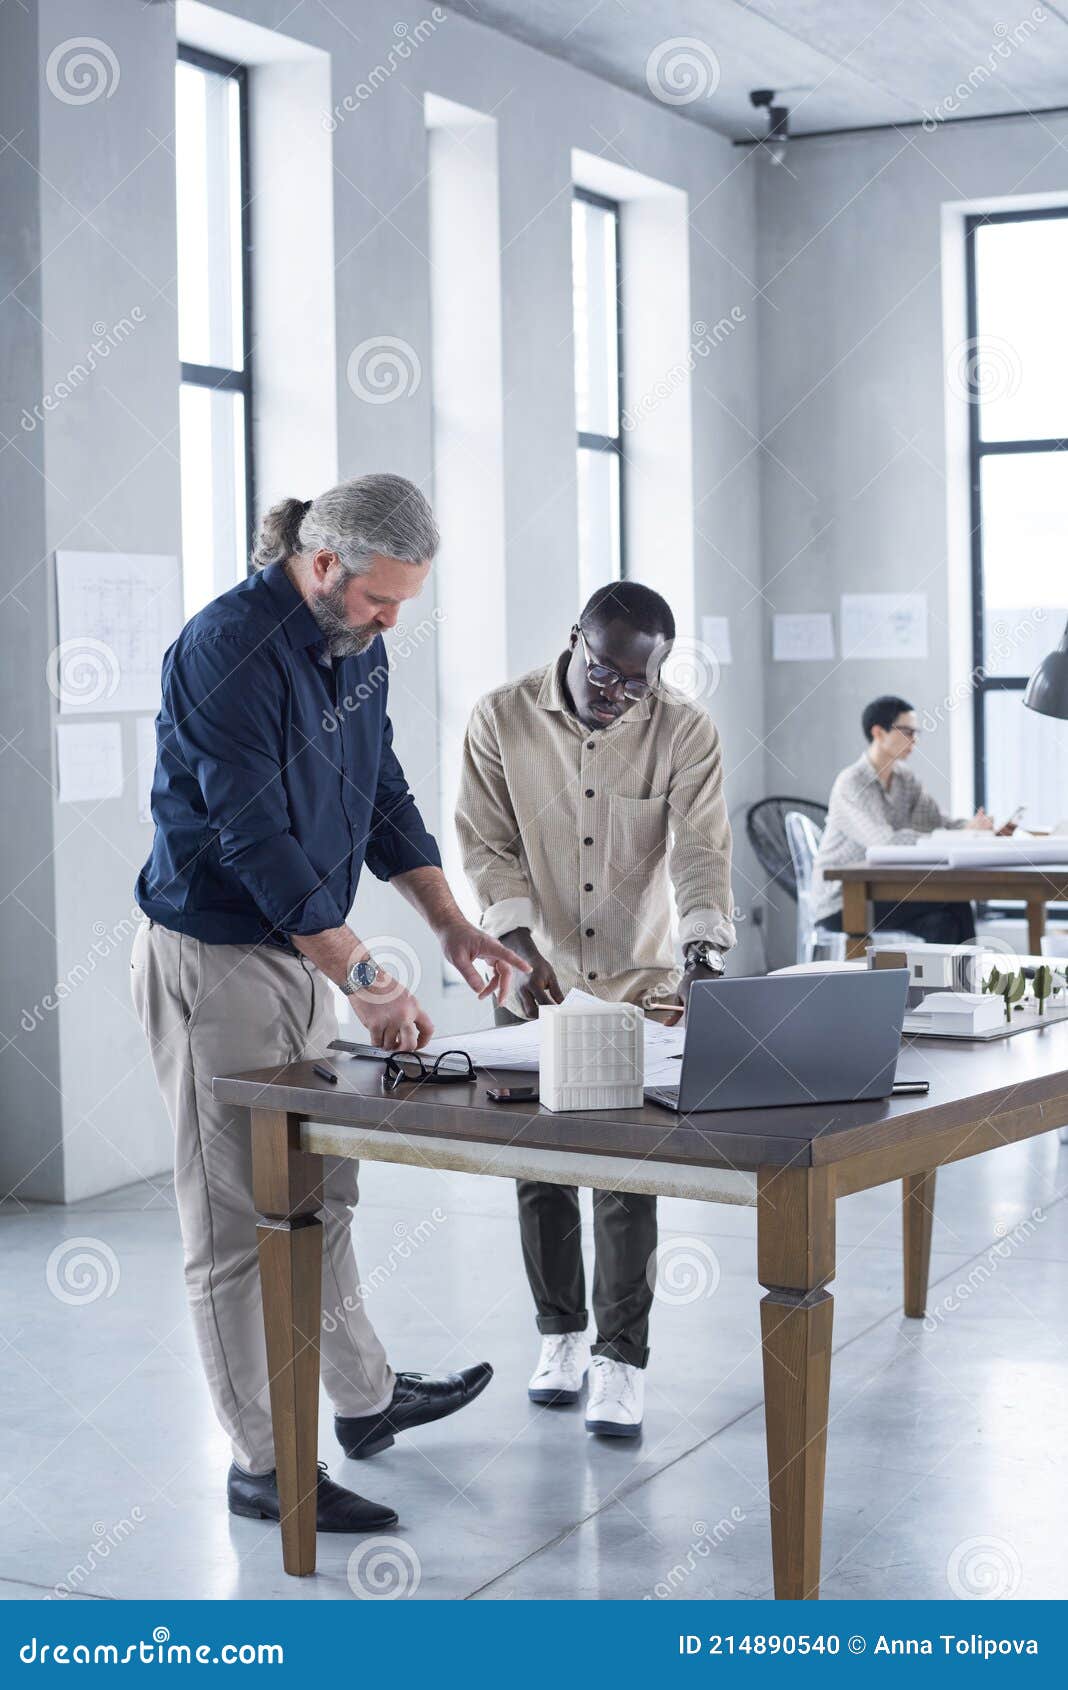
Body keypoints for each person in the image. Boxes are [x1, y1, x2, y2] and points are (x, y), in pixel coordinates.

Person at [133, 474, 527, 1536]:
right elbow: (253, 835)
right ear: (322, 566)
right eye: (381, 599)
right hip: (217, 960)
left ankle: (362, 1397)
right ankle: (264, 1464)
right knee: (234, 1220)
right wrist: (362, 971)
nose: (394, 619)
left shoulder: (353, 643)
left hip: (300, 957)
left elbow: (380, 786)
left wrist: (447, 920)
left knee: (322, 1193)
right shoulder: (224, 650)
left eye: (404, 602)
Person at [456, 582, 734, 1438]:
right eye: (604, 672)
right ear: (574, 638)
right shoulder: (498, 718)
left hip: (636, 975)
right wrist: (514, 936)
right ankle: (561, 1337)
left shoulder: (684, 729)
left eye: (635, 685)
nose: (616, 695)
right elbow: (484, 841)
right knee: (539, 1165)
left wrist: (703, 953)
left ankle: (621, 1358)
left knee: (624, 1175)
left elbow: (700, 850)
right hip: (531, 971)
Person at [812, 694, 1014, 944]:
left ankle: (959, 983)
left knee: (950, 913)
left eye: (916, 732)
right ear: (879, 733)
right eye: (907, 731)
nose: (914, 739)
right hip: (843, 900)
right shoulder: (852, 783)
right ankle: (956, 982)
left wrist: (972, 828)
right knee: (950, 908)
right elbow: (883, 842)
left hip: (884, 891)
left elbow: (937, 821)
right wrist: (952, 837)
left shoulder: (905, 779)